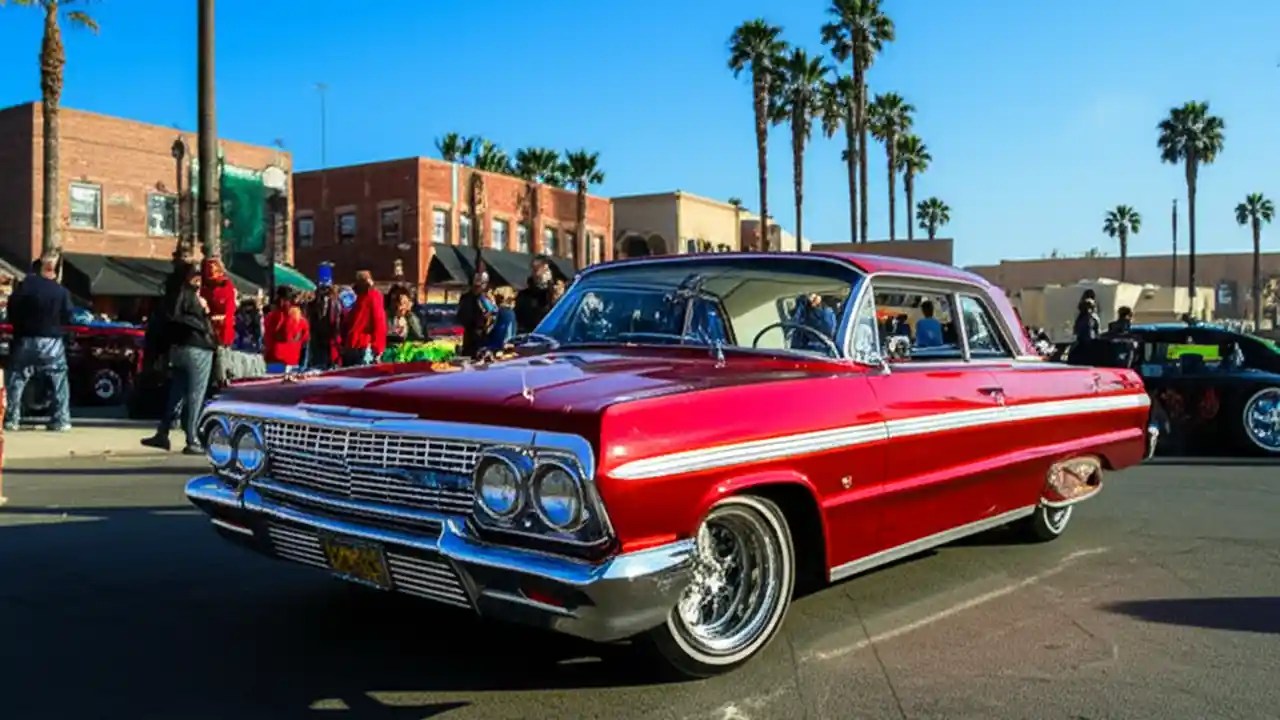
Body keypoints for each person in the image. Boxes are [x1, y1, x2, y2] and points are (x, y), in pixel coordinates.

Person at [141, 261, 216, 454]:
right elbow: (196, 321)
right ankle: (192, 439)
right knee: (195, 395)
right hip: (198, 347)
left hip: (178, 348)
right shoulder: (192, 297)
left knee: (177, 392)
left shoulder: (170, 295)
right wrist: (204, 315)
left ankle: (163, 433)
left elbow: (166, 321)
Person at [4, 256, 75, 431]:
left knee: (17, 378)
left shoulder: (21, 290)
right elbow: (68, 316)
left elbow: (11, 313)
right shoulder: (61, 291)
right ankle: (61, 419)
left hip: (25, 339)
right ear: (52, 271)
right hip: (51, 341)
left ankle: (12, 418)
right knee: (59, 379)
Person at [339, 270, 387, 366]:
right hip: (360, 345)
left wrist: (378, 346)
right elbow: (379, 321)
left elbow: (378, 322)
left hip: (360, 345)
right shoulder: (367, 298)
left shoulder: (367, 298)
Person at [263, 286, 311, 368]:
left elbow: (269, 337)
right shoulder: (300, 319)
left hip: (274, 360)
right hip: (292, 361)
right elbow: (305, 339)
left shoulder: (271, 317)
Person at [456, 271, 496, 358]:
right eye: (476, 284)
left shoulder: (487, 299)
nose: (478, 287)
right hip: (470, 335)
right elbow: (461, 316)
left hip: (484, 336)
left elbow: (493, 315)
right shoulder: (467, 298)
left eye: (481, 284)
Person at [200, 258, 237, 348]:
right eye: (207, 270)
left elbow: (229, 312)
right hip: (205, 333)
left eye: (212, 270)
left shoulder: (227, 288)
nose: (210, 273)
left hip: (222, 333)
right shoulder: (204, 288)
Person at [514, 255, 556, 333]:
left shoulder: (555, 294)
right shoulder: (524, 296)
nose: (546, 274)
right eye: (542, 269)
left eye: (547, 270)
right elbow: (520, 321)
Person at [486, 286, 518, 351]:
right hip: (508, 344)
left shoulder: (501, 312)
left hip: (497, 346)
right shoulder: (510, 312)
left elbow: (492, 329)